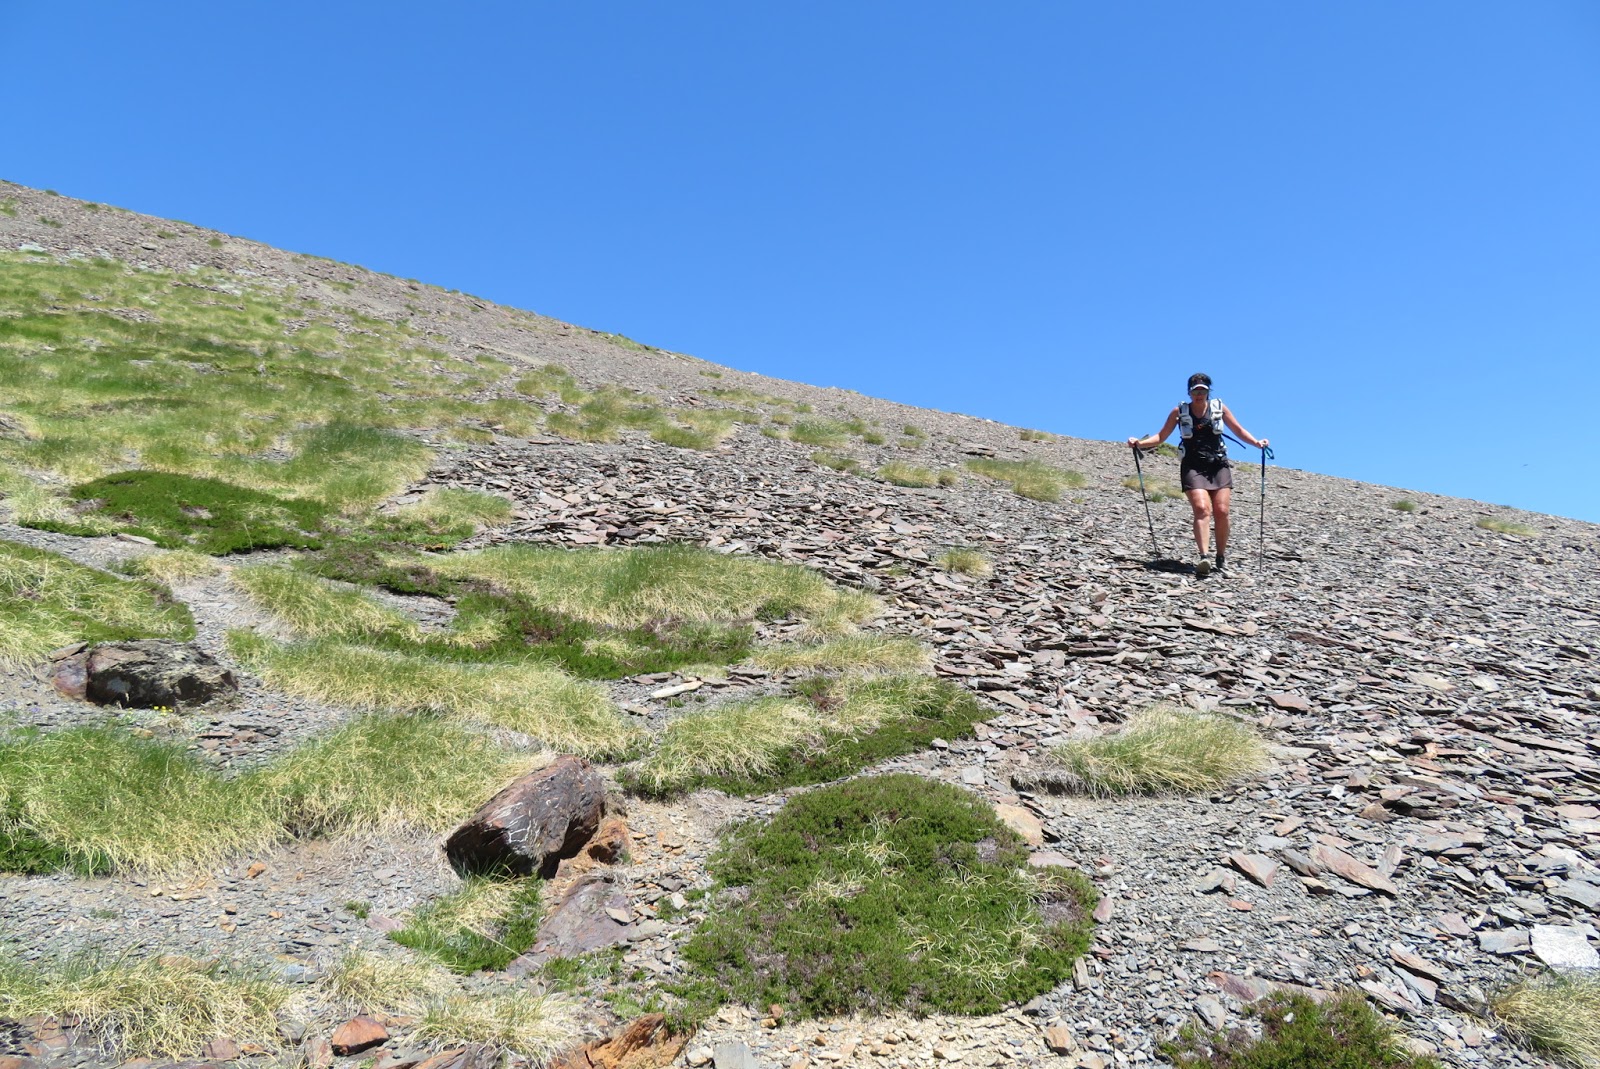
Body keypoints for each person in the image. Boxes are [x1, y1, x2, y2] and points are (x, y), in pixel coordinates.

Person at [1126, 373, 1268, 576]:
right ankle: (1204, 557)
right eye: (1195, 390)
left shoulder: (1219, 409)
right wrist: (1139, 443)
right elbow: (1160, 436)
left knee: (1221, 511)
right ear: (1189, 392)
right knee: (1202, 508)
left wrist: (1257, 443)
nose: (1199, 394)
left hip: (1218, 464)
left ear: (1208, 391)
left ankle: (1220, 556)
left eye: (1203, 390)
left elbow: (1238, 430)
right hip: (1192, 465)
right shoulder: (1179, 412)